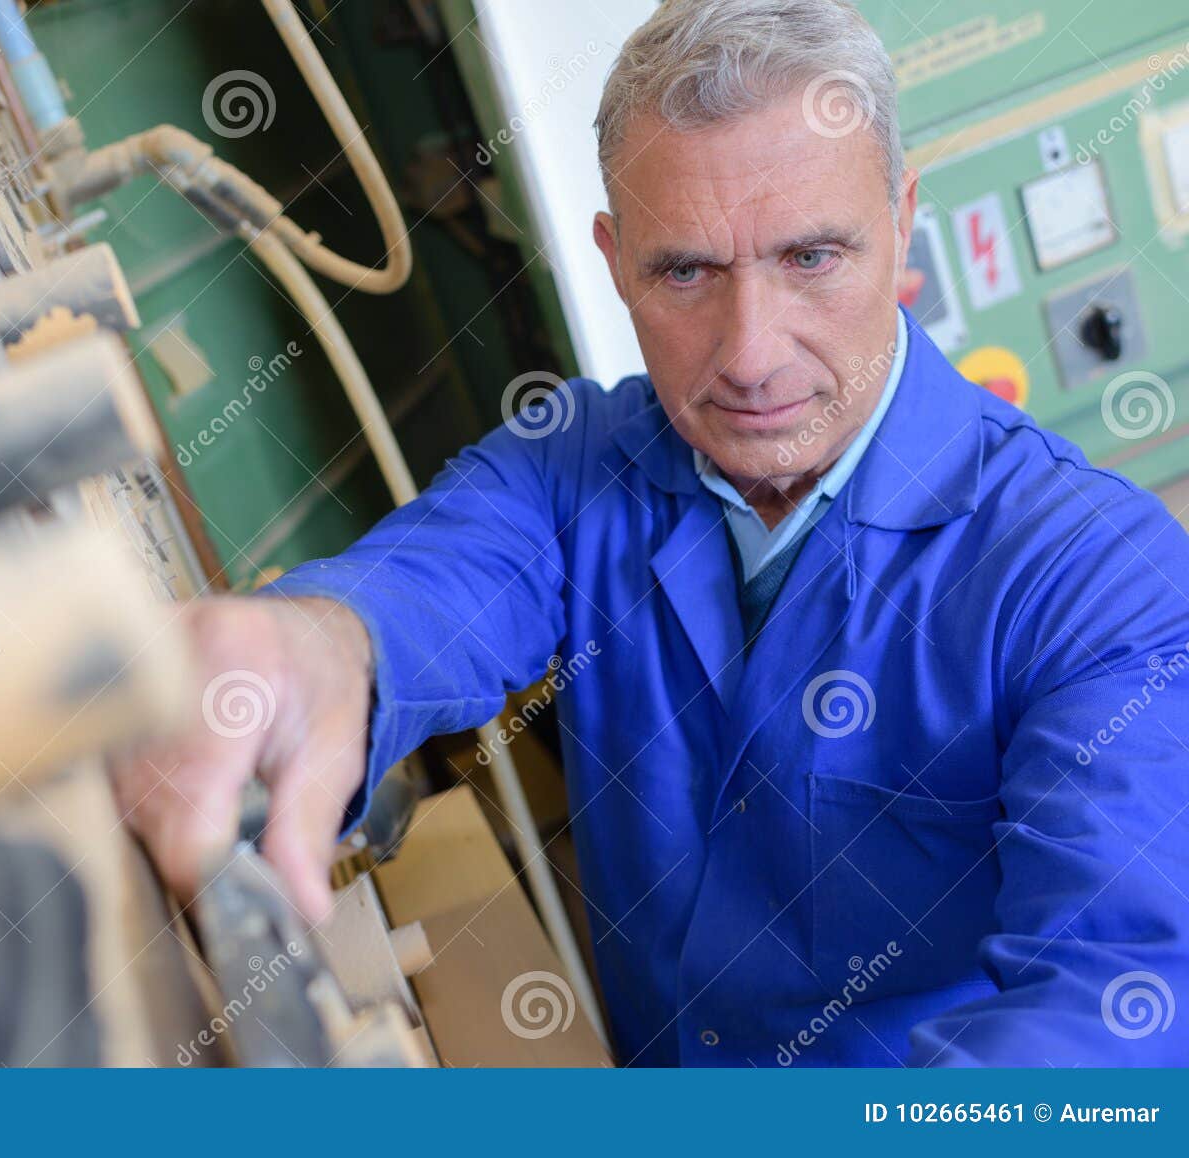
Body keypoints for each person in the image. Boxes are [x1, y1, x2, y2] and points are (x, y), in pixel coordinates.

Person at [114, 0, 1189, 1066]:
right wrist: (317, 643)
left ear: (901, 225)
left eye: (811, 257)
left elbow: (1115, 1003)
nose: (751, 354)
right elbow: (421, 590)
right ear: (615, 258)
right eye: (685, 272)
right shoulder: (574, 464)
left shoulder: (1100, 585)